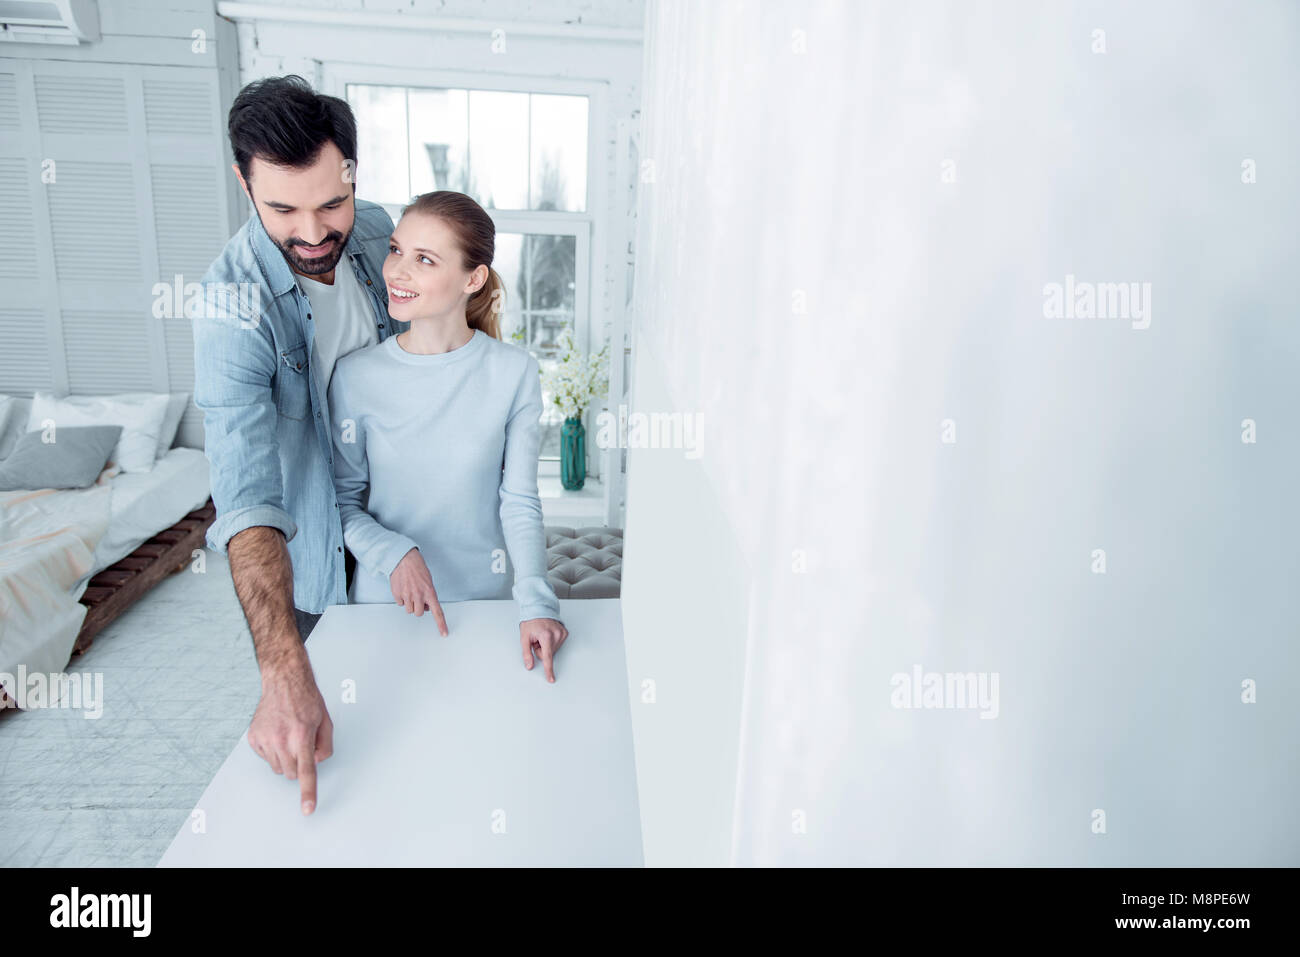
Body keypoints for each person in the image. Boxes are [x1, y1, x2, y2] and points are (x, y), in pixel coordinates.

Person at [192, 75, 404, 816]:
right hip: (321, 568)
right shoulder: (229, 305)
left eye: (331, 202)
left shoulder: (379, 233)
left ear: (353, 174)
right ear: (243, 181)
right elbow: (246, 497)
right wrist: (283, 674)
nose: (313, 233)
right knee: (351, 769)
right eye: (282, 208)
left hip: (409, 530)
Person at [328, 190, 570, 683]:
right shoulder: (355, 376)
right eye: (396, 250)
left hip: (489, 607)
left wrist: (535, 603)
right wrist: (393, 552)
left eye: (424, 259)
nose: (396, 271)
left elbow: (519, 501)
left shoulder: (513, 373)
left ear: (473, 278)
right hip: (384, 609)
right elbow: (340, 501)